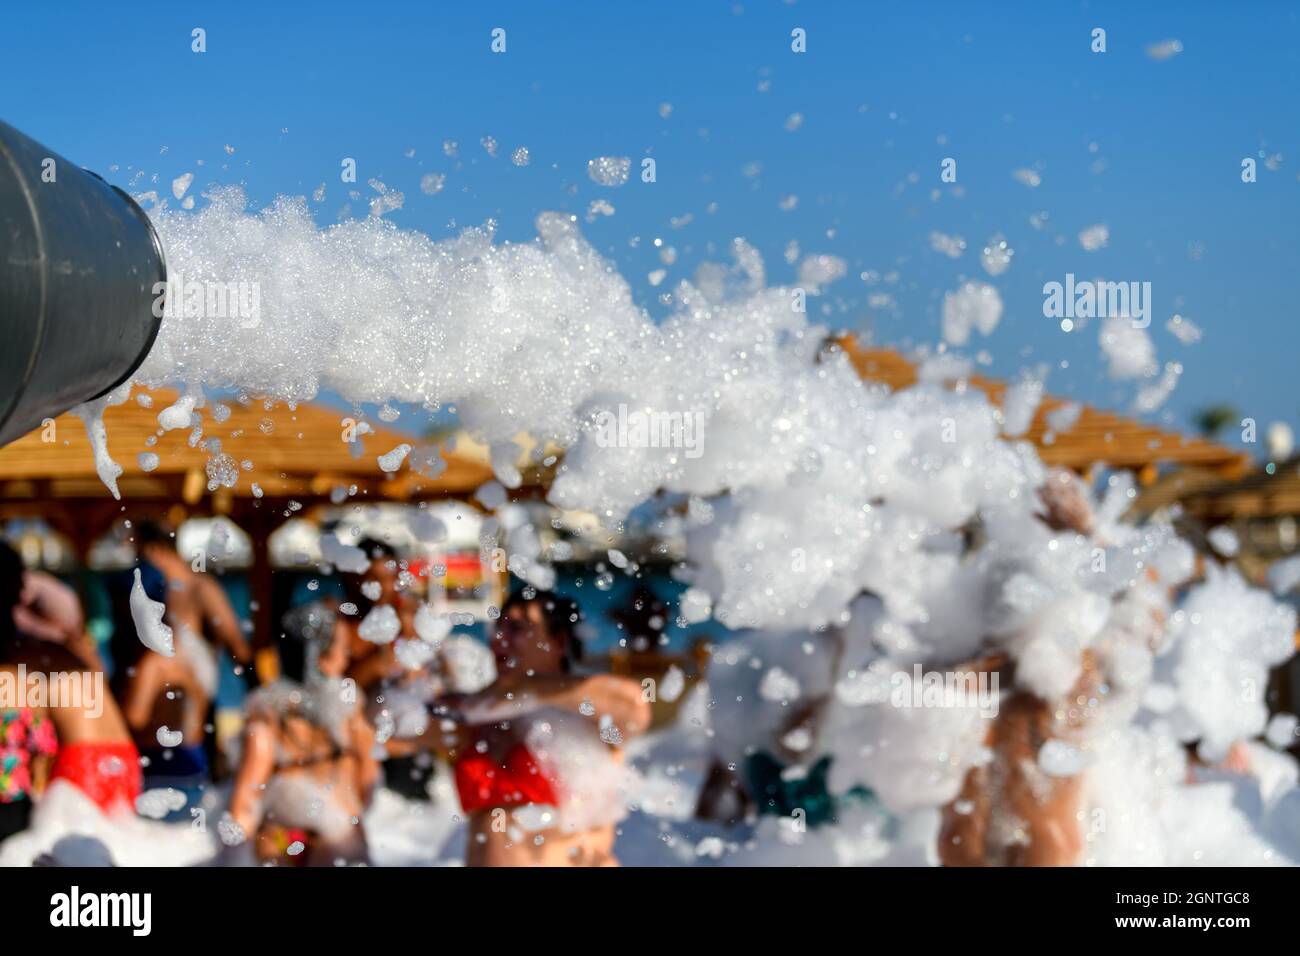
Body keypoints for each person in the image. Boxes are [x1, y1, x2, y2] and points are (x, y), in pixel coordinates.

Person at [434, 588, 650, 866]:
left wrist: (527, 688)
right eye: (497, 627)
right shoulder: (479, 714)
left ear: (558, 642)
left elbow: (637, 707)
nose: (499, 638)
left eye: (516, 628)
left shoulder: (589, 713)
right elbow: (389, 722)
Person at [0, 541, 141, 839]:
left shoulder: (13, 660)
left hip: (82, 766)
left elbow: (22, 742)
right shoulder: (59, 648)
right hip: (123, 759)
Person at [227, 603, 378, 866]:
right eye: (342, 649)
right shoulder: (351, 712)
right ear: (320, 658)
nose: (347, 656)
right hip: (339, 837)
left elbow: (244, 807)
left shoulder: (267, 714)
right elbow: (368, 787)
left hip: (281, 838)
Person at [116, 520, 251, 806]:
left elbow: (237, 645)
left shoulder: (198, 587)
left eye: (138, 551)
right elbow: (238, 648)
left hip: (181, 717)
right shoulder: (176, 589)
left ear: (154, 548)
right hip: (189, 722)